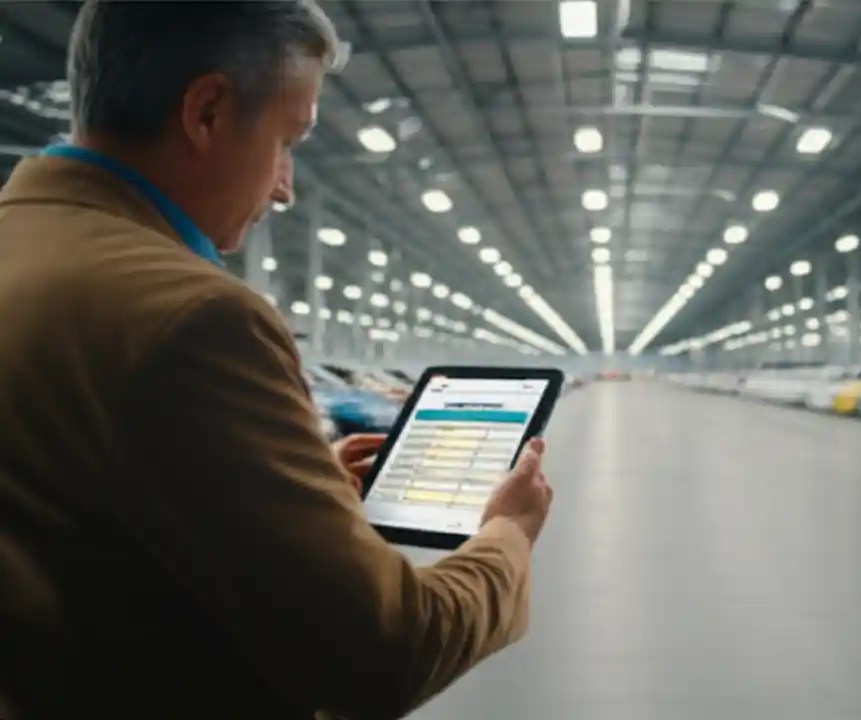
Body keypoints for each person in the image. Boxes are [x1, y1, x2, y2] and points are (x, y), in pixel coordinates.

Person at [0, 2, 553, 719]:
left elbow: (79, 513)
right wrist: (508, 533)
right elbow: (381, 652)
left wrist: (284, 499)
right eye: (287, 140)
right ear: (207, 112)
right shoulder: (196, 317)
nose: (286, 186)